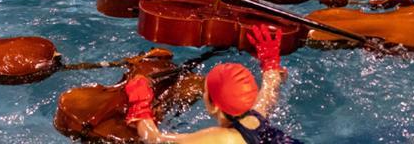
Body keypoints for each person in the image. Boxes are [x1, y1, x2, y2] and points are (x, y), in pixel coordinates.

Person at [127, 25, 301, 144]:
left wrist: (140, 107)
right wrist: (270, 64)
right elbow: (270, 89)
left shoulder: (219, 138)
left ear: (214, 105)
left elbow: (155, 140)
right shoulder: (255, 119)